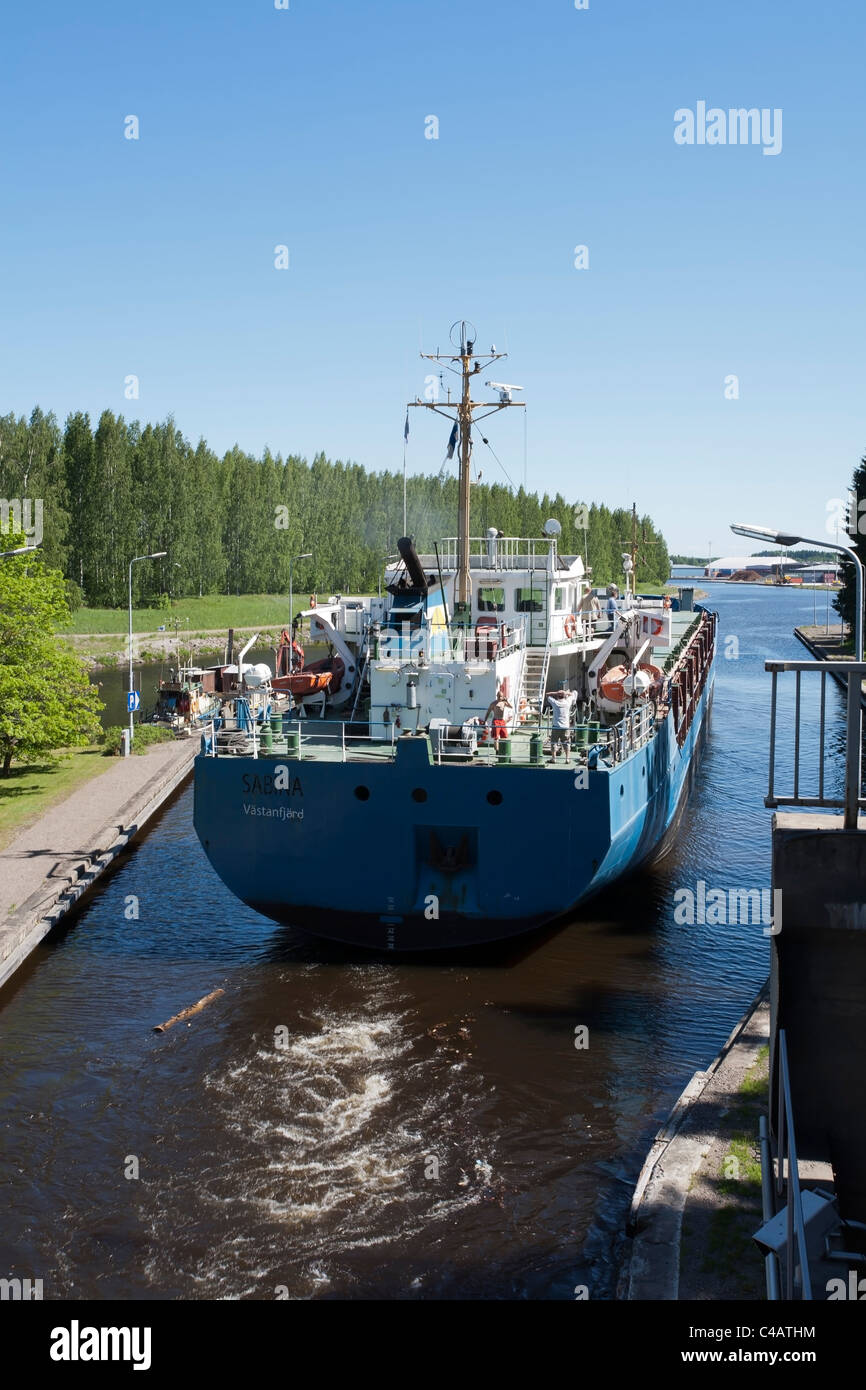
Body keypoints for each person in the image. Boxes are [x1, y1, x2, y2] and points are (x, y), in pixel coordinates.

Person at [546, 685, 577, 762]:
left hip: (556, 726)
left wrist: (556, 693)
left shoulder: (555, 702)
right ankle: (567, 759)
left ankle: (554, 758)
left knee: (553, 743)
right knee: (566, 743)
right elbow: (573, 694)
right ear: (564, 696)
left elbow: (547, 694)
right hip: (565, 727)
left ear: (557, 696)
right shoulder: (568, 702)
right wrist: (566, 692)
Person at [483, 686, 513, 750]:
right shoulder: (493, 704)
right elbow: (488, 712)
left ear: (503, 697)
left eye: (501, 696)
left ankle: (503, 749)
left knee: (504, 736)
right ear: (497, 696)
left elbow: (511, 707)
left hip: (502, 721)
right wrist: (484, 720)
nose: (500, 697)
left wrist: (507, 701)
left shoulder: (504, 703)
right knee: (496, 737)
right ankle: (497, 750)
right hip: (496, 721)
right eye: (498, 696)